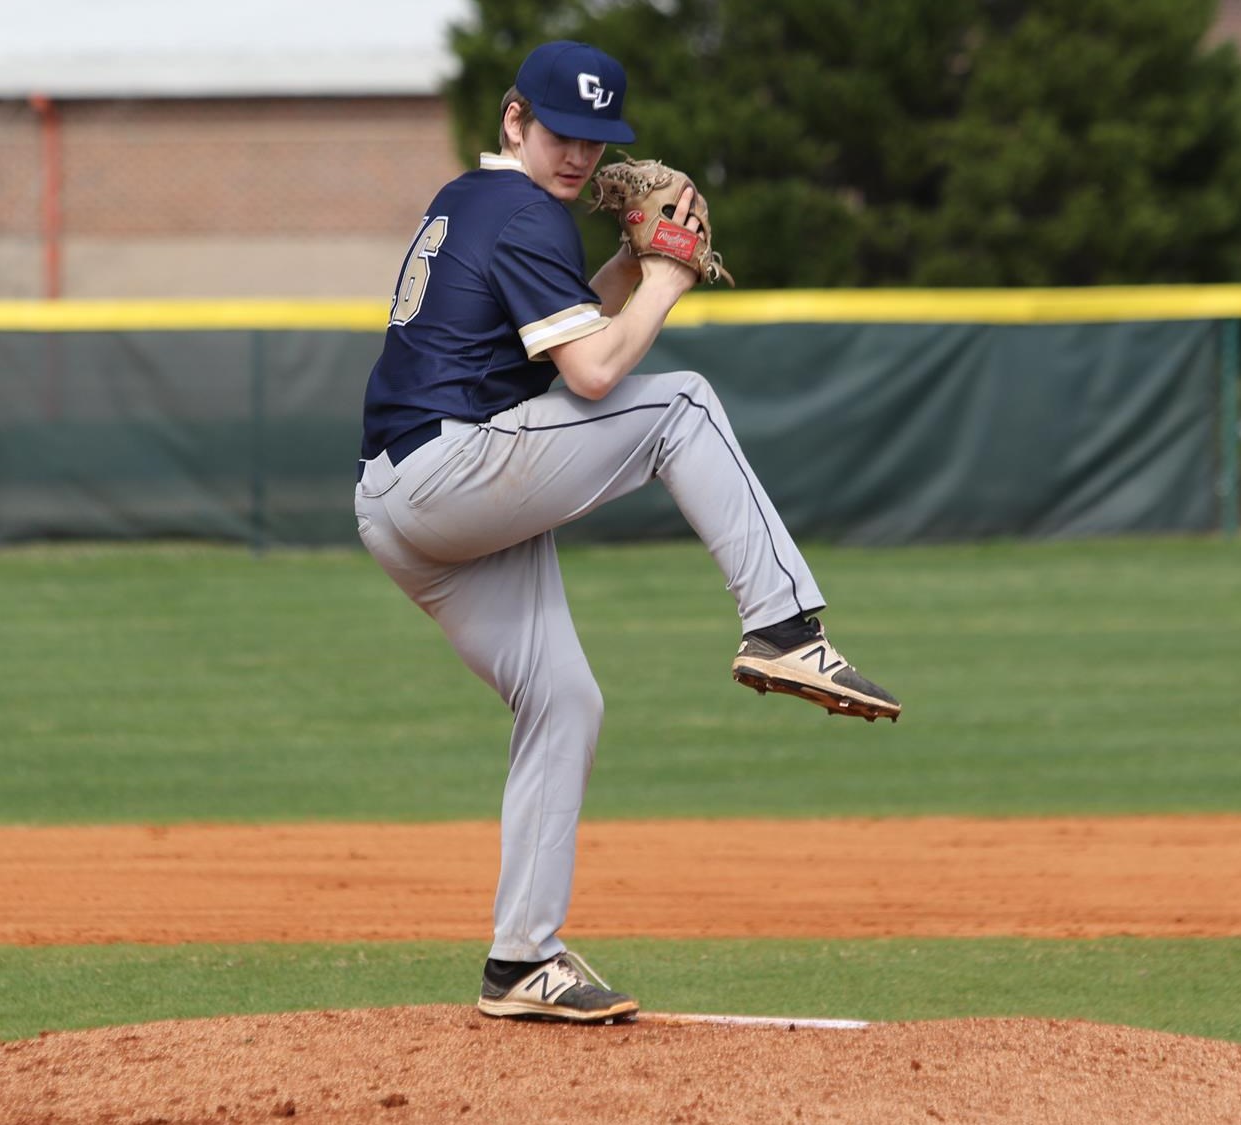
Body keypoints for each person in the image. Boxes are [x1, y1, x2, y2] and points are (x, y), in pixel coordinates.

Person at [354, 40, 900, 1024]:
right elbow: (597, 378)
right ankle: (783, 628)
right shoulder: (521, 210)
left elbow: (551, 349)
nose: (577, 156)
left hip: (405, 500)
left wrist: (619, 267)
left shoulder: (477, 204)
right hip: (449, 471)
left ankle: (522, 961)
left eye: (595, 139)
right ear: (515, 120)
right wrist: (662, 281)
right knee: (679, 404)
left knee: (563, 700)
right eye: (560, 132)